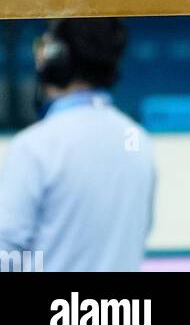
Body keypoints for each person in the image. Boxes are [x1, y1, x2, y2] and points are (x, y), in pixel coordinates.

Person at [0, 20, 155, 272]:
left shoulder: (36, 147)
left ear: (56, 59)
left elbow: (4, 253)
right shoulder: (137, 140)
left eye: (43, 46)